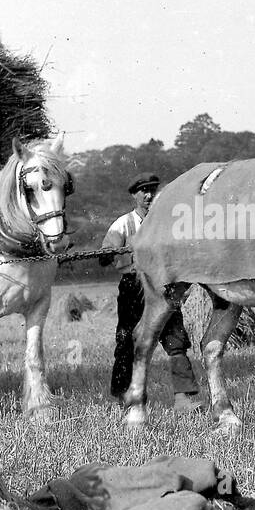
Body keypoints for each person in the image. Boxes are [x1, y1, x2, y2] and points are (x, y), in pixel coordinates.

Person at [101, 173, 204, 410]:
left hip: (165, 287)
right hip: (133, 286)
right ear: (134, 195)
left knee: (176, 341)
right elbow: (105, 256)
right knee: (126, 339)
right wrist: (110, 253)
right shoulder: (122, 224)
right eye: (143, 191)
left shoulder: (170, 222)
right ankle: (122, 396)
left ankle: (183, 398)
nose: (148, 195)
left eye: (152, 190)